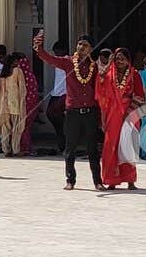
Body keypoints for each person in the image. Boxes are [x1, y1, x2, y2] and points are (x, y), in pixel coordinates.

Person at [34, 33, 105, 191]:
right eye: (79, 44)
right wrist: (39, 47)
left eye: (85, 45)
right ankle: (70, 180)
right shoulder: (67, 62)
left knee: (92, 148)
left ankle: (97, 181)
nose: (81, 47)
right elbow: (49, 58)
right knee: (70, 147)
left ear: (90, 49)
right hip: (72, 112)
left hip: (91, 112)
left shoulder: (94, 67)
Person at [96, 47, 146, 190]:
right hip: (112, 114)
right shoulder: (109, 74)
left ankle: (130, 180)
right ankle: (111, 180)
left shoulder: (134, 74)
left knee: (128, 146)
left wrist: (130, 110)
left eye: (122, 58)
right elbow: (100, 88)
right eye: (117, 58)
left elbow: (140, 95)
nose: (119, 61)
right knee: (110, 146)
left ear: (128, 60)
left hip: (129, 114)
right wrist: (106, 67)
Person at [0, 53, 26, 156]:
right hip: (15, 103)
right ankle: (16, 150)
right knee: (17, 128)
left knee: (5, 128)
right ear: (12, 62)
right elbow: (22, 89)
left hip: (4, 104)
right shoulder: (17, 72)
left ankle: (6, 150)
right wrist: (23, 102)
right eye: (16, 61)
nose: (17, 63)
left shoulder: (2, 74)